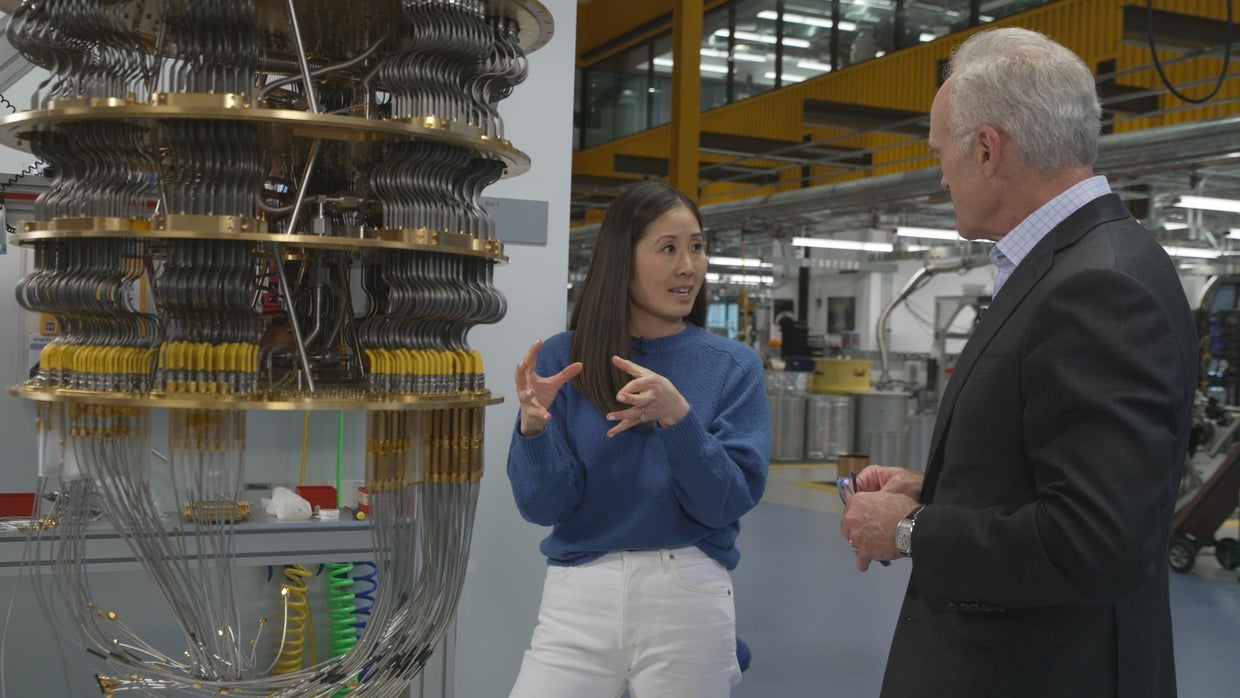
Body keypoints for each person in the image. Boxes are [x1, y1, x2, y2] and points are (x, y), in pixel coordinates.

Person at [839, 27, 1197, 698]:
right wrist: (944, 488)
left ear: (985, 148)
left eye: (942, 153)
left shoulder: (1098, 284)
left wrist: (913, 530)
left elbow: (1098, 541)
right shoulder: (1070, 265)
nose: (941, 174)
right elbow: (1061, 475)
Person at [506, 180, 771, 697]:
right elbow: (543, 506)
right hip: (578, 592)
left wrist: (679, 419)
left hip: (687, 590)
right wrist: (533, 429)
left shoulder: (732, 366)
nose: (688, 267)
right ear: (621, 261)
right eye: (668, 249)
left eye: (696, 246)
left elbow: (726, 502)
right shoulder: (563, 360)